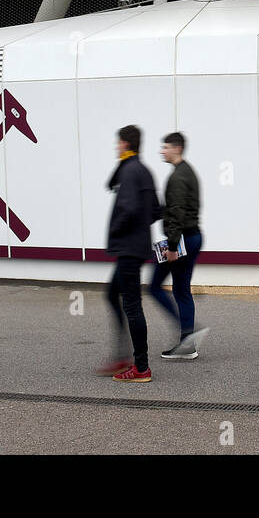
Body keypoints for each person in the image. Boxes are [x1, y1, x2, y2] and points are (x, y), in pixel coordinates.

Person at [99, 125, 163, 383]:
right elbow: (155, 211)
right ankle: (124, 357)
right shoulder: (141, 170)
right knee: (112, 295)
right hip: (135, 248)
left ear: (125, 144)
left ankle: (141, 367)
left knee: (132, 306)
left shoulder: (132, 171)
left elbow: (128, 208)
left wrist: (117, 230)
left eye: (118, 143)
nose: (116, 147)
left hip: (128, 248)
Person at [149, 132, 209, 359]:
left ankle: (188, 337)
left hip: (181, 240)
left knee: (155, 286)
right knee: (182, 289)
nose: (162, 151)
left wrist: (172, 247)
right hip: (192, 237)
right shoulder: (188, 171)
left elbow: (176, 214)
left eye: (165, 147)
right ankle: (188, 343)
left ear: (177, 148)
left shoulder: (177, 178)